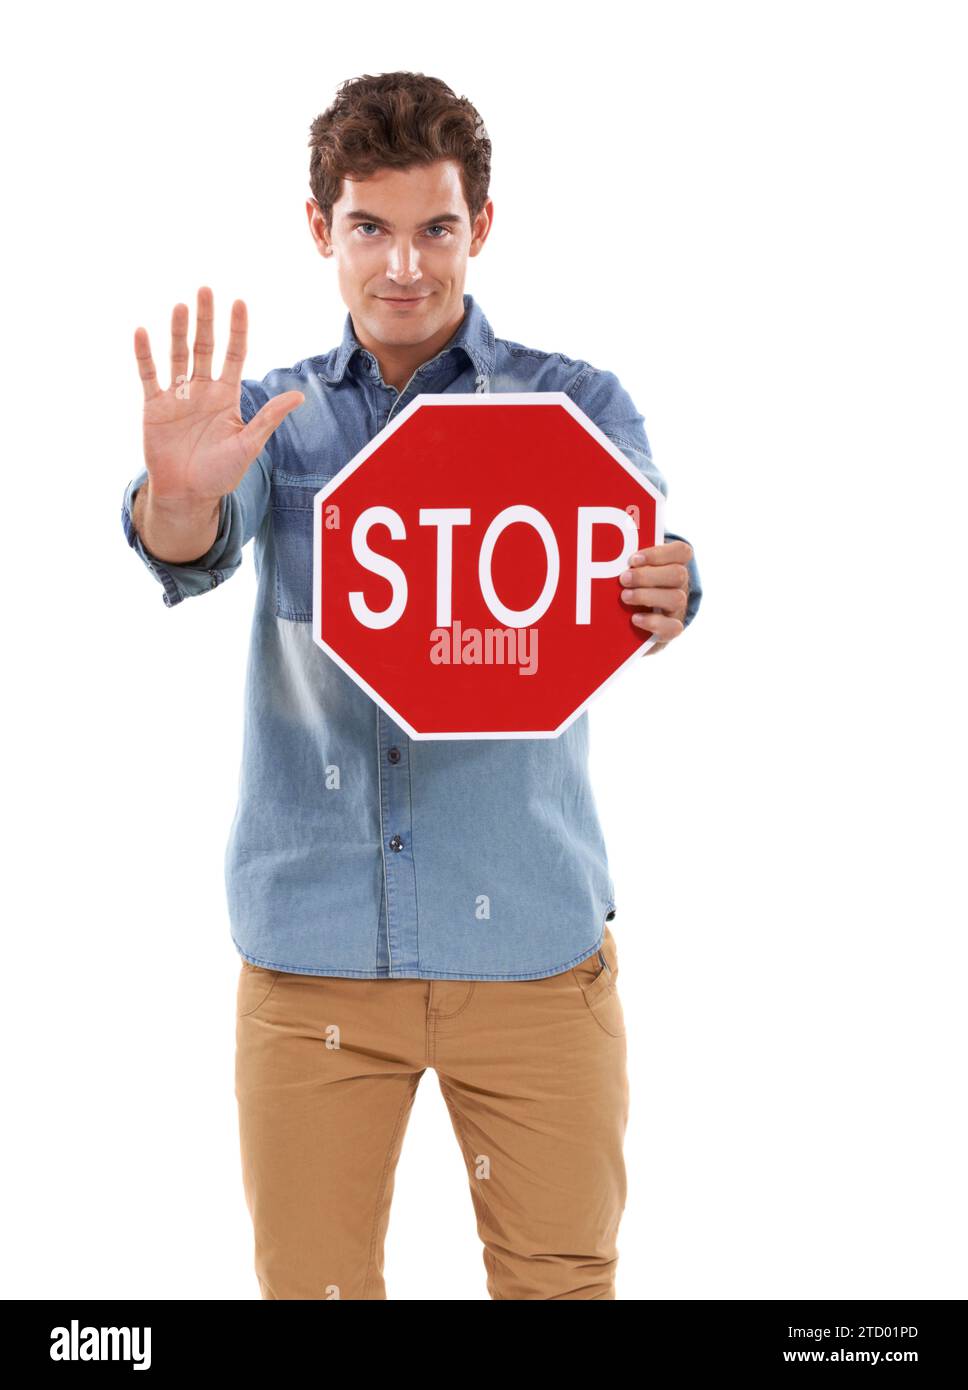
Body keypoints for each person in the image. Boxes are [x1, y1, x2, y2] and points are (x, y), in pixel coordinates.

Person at [121, 71, 702, 1301]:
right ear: (319, 229)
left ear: (477, 228)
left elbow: (643, 564)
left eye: (434, 227)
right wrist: (176, 501)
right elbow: (196, 545)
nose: (402, 265)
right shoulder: (267, 421)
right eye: (368, 228)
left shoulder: (575, 406)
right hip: (311, 955)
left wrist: (674, 588)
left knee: (561, 1285)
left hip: (534, 952)